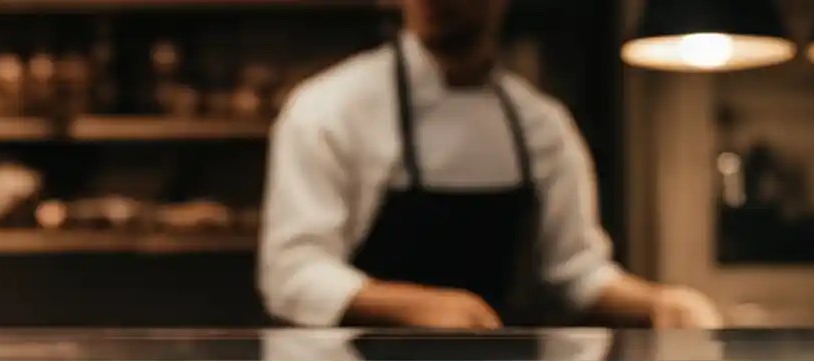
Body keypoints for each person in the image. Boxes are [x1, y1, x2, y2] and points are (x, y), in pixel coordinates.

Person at [258, 0, 721, 330]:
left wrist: (662, 303)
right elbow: (291, 273)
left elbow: (576, 273)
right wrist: (420, 308)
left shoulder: (542, 125)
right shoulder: (329, 109)